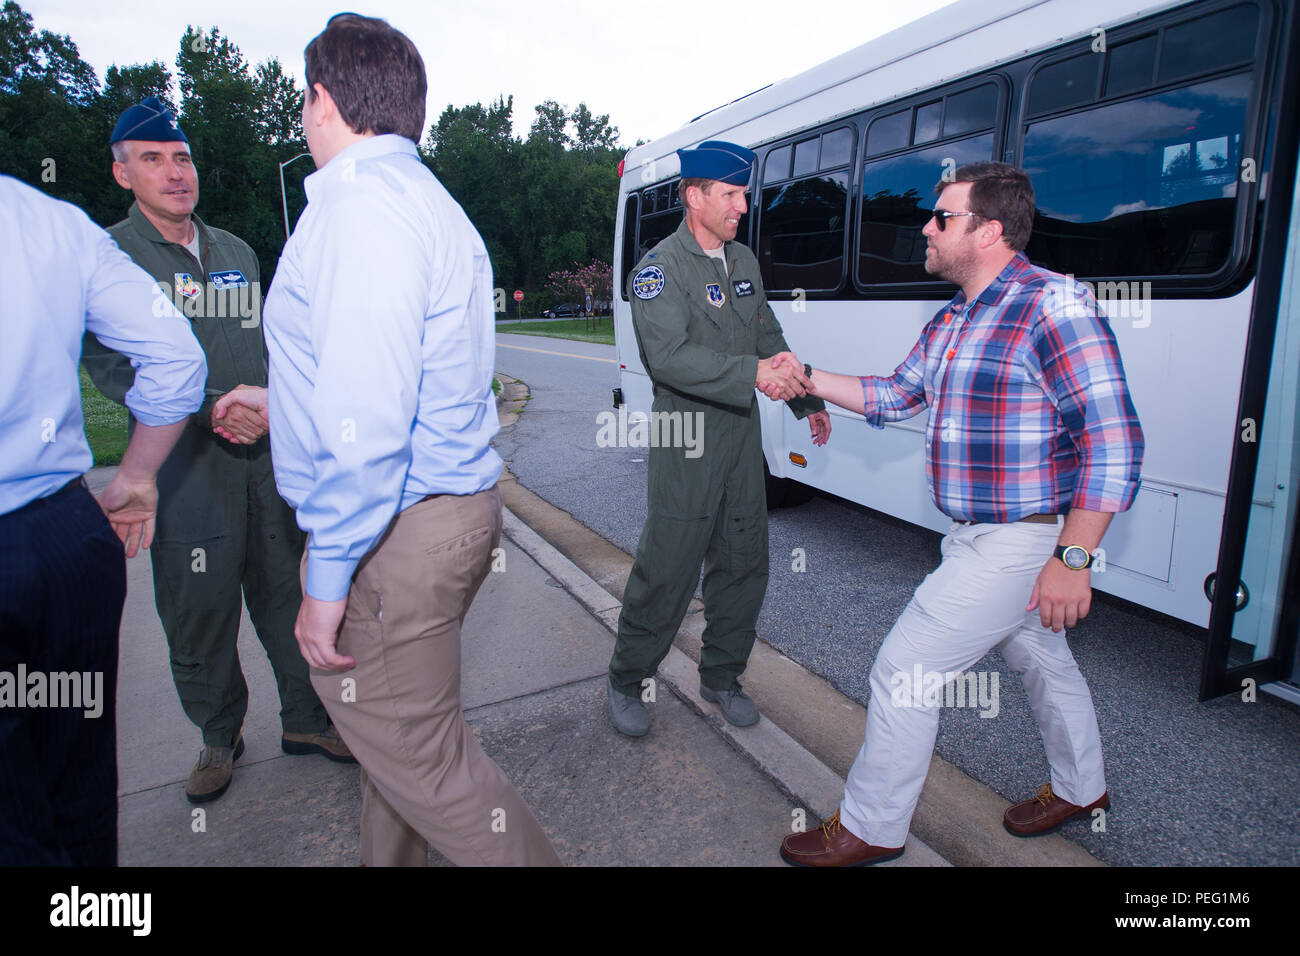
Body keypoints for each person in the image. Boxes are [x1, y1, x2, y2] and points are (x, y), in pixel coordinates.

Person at [236, 13, 559, 866]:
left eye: (305, 99)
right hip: (439, 513)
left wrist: (328, 570)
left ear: (324, 99)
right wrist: (286, 401)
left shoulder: (358, 210)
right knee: (403, 751)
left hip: (393, 531)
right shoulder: (422, 201)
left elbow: (369, 423)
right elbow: (392, 373)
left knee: (427, 763)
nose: (302, 117)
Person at [778, 162, 1144, 866]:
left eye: (942, 216)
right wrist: (804, 375)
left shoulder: (1054, 306)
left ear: (990, 230)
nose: (926, 226)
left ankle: (873, 826)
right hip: (979, 537)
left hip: (1022, 541)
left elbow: (1114, 442)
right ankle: (1082, 788)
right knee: (1044, 661)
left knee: (903, 670)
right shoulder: (956, 317)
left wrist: (1074, 560)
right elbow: (896, 395)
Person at [81, 96, 352, 806]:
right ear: (121, 174)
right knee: (199, 608)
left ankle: (309, 719)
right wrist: (205, 412)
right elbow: (112, 365)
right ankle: (218, 732)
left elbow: (273, 344)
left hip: (264, 458)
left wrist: (279, 411)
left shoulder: (236, 251)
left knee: (286, 588)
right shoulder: (108, 258)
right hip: (185, 468)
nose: (175, 174)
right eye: (153, 160)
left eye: (182, 158)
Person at [0, 174, 207, 865]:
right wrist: (139, 476)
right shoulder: (53, 221)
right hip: (64, 537)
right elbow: (175, 357)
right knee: (78, 783)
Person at [607, 140, 831, 737]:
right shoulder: (658, 271)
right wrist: (752, 374)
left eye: (744, 193)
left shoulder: (745, 262)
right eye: (731, 194)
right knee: (669, 567)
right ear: (694, 196)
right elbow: (669, 358)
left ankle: (722, 677)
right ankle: (628, 678)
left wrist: (805, 394)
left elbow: (768, 334)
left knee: (743, 563)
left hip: (740, 438)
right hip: (687, 440)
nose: (743, 204)